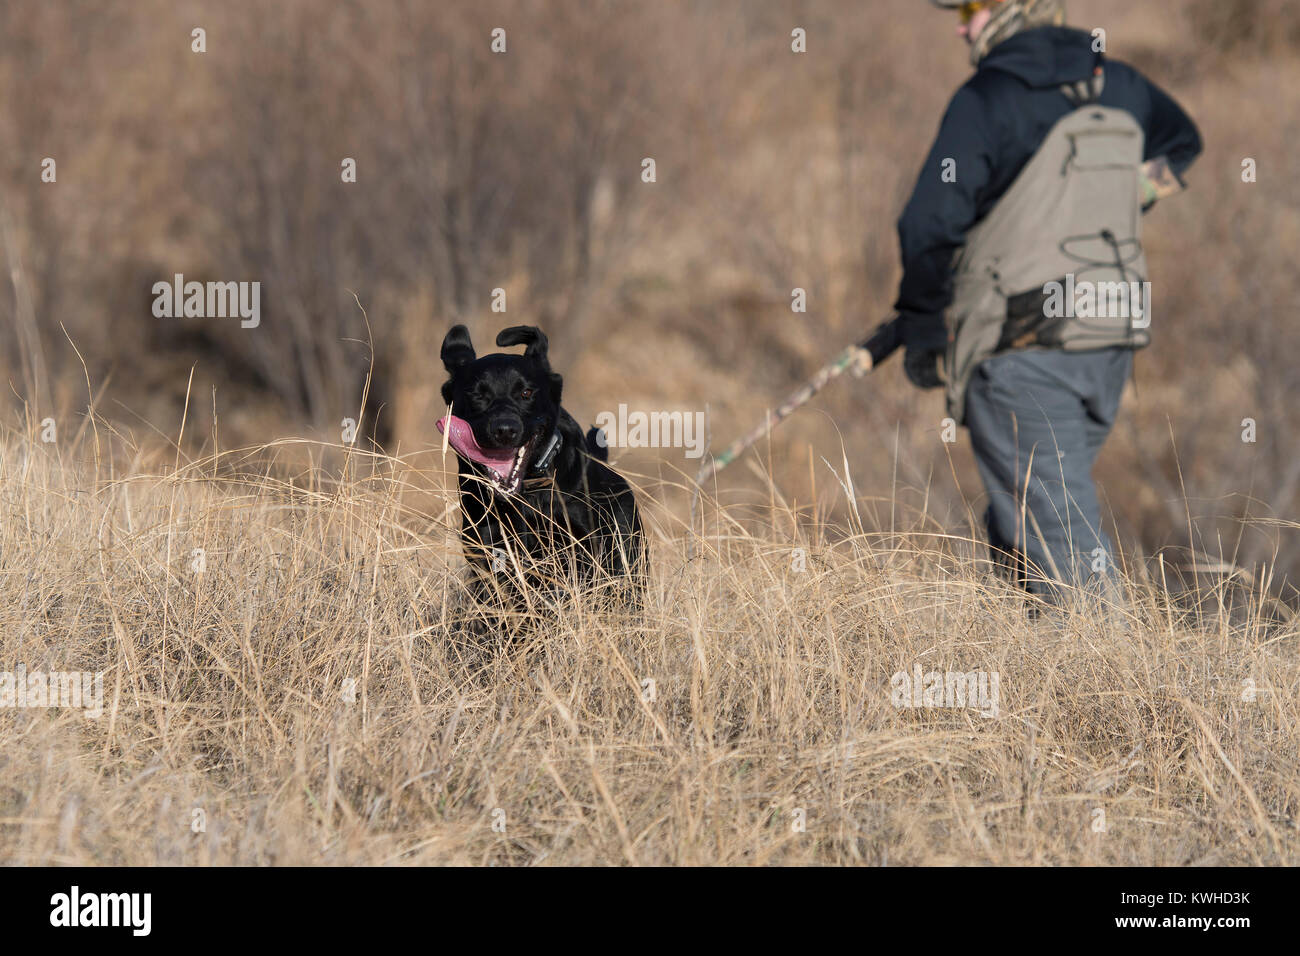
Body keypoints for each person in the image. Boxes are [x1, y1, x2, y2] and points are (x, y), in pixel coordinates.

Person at [893, 0, 1202, 604]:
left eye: (971, 8)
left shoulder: (985, 99)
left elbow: (928, 225)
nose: (961, 24)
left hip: (1024, 347)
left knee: (1060, 542)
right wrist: (1118, 198)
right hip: (1109, 337)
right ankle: (1029, 674)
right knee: (1026, 515)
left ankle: (1115, 688)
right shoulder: (1121, 83)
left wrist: (925, 326)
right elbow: (1183, 143)